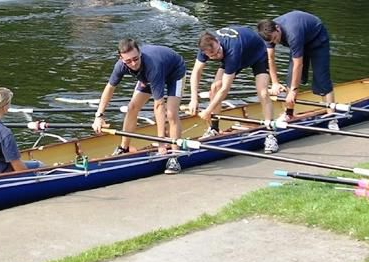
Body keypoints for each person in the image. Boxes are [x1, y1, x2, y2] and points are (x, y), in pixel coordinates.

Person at [91, 38, 186, 174]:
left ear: (140, 53)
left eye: (136, 59)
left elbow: (159, 105)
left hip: (174, 72)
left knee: (171, 113)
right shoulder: (120, 66)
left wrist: (161, 143)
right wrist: (99, 115)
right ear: (121, 59)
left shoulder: (153, 65)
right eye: (128, 61)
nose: (133, 64)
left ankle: (174, 156)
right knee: (132, 108)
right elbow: (109, 88)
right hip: (147, 76)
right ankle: (124, 148)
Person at [188, 27, 278, 153]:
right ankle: (214, 128)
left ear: (217, 41)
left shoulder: (231, 50)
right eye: (213, 56)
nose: (217, 56)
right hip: (238, 53)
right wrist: (193, 98)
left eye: (218, 52)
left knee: (262, 93)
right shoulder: (204, 48)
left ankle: (270, 133)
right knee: (215, 87)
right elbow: (195, 72)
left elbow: (225, 89)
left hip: (257, 54)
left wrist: (208, 110)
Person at [256, 10, 339, 130]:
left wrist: (293, 91)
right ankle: (289, 114)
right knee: (290, 78)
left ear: (277, 28)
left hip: (317, 39)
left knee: (322, 79)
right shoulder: (266, 34)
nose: (275, 42)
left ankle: (332, 117)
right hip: (301, 39)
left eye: (275, 38)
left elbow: (298, 64)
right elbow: (270, 58)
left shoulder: (292, 33)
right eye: (271, 41)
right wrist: (275, 83)